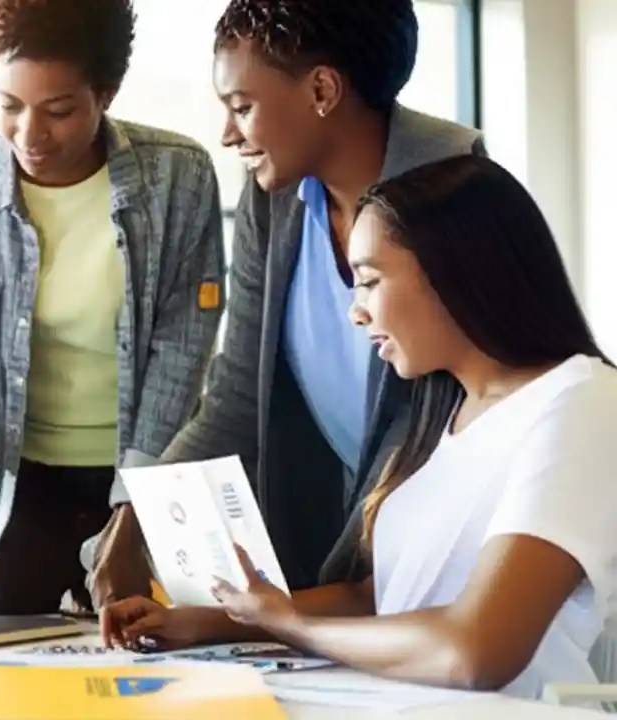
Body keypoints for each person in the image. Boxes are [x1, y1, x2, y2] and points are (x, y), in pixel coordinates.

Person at [102, 155, 617, 697]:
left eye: (368, 281)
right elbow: (378, 599)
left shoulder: (581, 402)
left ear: (455, 270)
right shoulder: (447, 412)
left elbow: (474, 650)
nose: (356, 311)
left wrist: (292, 625)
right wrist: (206, 620)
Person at [90, 0, 484, 606]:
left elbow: (425, 425)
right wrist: (135, 516)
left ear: (322, 89)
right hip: (337, 572)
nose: (227, 135)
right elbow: (238, 395)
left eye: (242, 108)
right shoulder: (273, 199)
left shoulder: (454, 191)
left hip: (437, 560)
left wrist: (302, 605)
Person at [0, 0, 225, 616]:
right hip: (20, 485)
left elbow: (180, 364)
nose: (31, 135)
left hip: (145, 479)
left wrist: (131, 519)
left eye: (58, 111)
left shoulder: (178, 178)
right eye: (9, 106)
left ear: (104, 94)